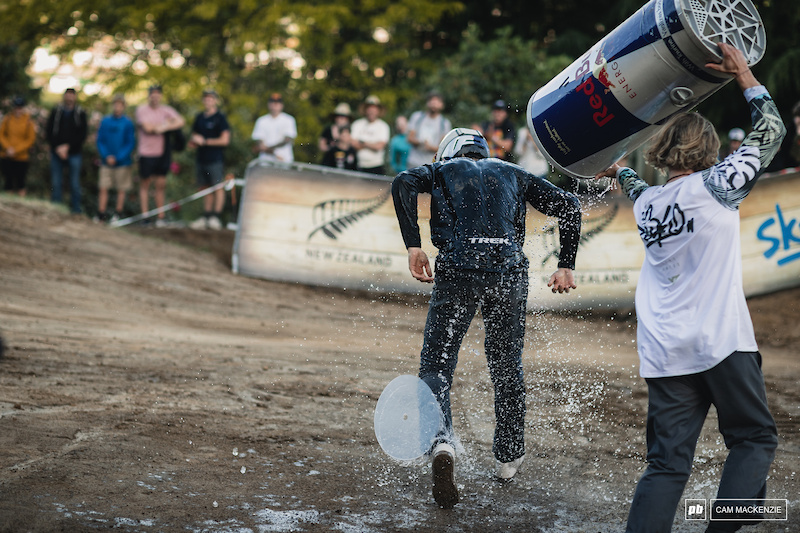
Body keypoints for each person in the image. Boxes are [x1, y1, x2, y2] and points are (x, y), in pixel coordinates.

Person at [594, 42, 785, 533]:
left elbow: (640, 191)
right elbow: (772, 132)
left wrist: (620, 171)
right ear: (710, 150)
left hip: (664, 347)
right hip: (720, 340)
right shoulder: (719, 185)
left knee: (666, 465)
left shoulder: (649, 204)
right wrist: (744, 76)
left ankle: (741, 512)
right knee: (753, 440)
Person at [392, 128, 581, 509]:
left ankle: (441, 440)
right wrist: (565, 265)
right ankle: (509, 456)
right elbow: (570, 206)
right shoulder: (513, 172)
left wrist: (414, 244)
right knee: (507, 364)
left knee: (437, 365)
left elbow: (402, 182)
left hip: (459, 267)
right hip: (508, 272)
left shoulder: (443, 170)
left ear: (448, 153)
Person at [136, 85, 185, 227]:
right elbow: (148, 128)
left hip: (162, 154)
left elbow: (180, 121)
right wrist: (167, 123)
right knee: (145, 184)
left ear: (161, 96)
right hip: (146, 153)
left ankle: (160, 216)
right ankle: (145, 216)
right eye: (153, 94)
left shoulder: (166, 110)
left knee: (160, 185)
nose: (155, 97)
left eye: (158, 94)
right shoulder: (142, 110)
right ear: (149, 95)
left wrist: (165, 126)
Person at [188, 89, 231, 230]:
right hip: (201, 159)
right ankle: (206, 216)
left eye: (211, 98)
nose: (208, 101)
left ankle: (215, 217)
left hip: (215, 159)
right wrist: (194, 142)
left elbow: (225, 140)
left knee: (217, 187)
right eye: (206, 98)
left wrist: (205, 141)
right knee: (205, 188)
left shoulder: (220, 118)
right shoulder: (199, 117)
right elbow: (194, 137)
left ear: (215, 100)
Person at [46, 87, 88, 214]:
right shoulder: (56, 112)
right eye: (67, 95)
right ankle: (56, 209)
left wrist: (68, 147)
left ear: (75, 97)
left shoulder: (80, 113)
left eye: (72, 95)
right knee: (56, 183)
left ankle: (76, 210)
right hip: (56, 153)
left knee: (74, 183)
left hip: (74, 154)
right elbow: (48, 131)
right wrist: (57, 148)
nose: (69, 97)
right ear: (64, 96)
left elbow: (82, 134)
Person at [95, 94, 136, 223]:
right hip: (106, 161)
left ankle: (118, 214)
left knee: (121, 188)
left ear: (123, 106)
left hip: (122, 163)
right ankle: (101, 214)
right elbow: (100, 140)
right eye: (115, 104)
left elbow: (130, 143)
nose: (117, 107)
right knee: (103, 186)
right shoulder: (105, 121)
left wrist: (118, 157)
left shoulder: (128, 123)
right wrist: (106, 156)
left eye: (120, 104)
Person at [0, 96, 36, 197]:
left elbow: (30, 139)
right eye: (16, 107)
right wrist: (8, 148)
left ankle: (20, 205)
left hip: (21, 157)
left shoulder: (28, 121)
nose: (18, 110)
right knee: (8, 181)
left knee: (21, 181)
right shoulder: (7, 119)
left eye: (20, 107)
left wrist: (16, 150)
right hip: (7, 155)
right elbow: (1, 134)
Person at [406, 91, 451, 168]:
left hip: (432, 164)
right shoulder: (417, 117)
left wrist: (430, 147)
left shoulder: (444, 123)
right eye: (432, 102)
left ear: (441, 105)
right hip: (414, 162)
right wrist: (420, 142)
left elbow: (443, 148)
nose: (434, 105)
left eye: (437, 102)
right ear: (428, 103)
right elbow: (409, 138)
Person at [252, 93, 297, 163]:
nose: (274, 105)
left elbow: (287, 140)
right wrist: (269, 150)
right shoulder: (261, 121)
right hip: (265, 161)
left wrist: (268, 149)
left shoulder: (289, 120)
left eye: (277, 103)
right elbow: (259, 139)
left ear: (281, 105)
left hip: (284, 160)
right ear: (268, 104)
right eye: (272, 102)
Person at [351, 95, 390, 174]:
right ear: (365, 110)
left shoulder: (383, 126)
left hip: (376, 166)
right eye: (369, 108)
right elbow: (353, 144)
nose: (371, 111)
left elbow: (379, 146)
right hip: (359, 165)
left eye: (374, 108)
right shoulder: (357, 124)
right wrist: (372, 144)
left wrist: (363, 143)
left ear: (378, 110)